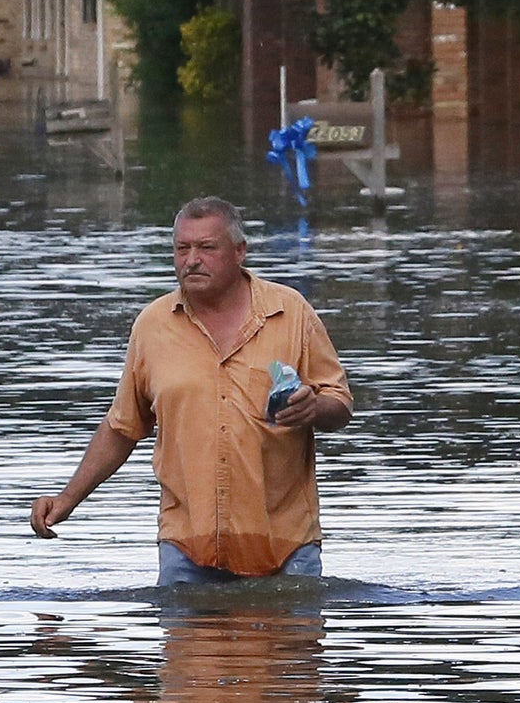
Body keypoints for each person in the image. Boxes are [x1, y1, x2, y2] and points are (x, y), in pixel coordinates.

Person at [29, 196, 354, 586]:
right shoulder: (153, 327)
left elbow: (340, 404)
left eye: (206, 247)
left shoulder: (291, 314)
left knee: (287, 645)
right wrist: (66, 501)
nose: (191, 260)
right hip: (187, 546)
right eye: (182, 248)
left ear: (239, 252)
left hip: (284, 545)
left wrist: (314, 408)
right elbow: (122, 428)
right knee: (190, 647)